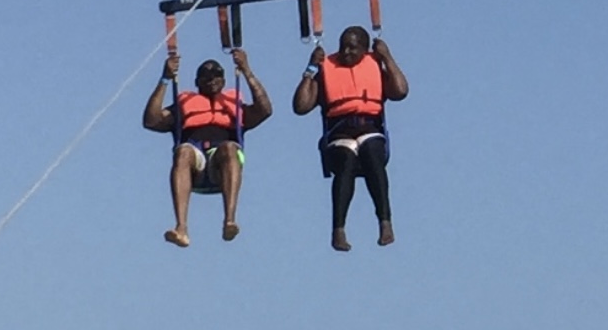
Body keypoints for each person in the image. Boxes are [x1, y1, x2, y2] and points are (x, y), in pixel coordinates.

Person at [292, 24, 409, 250]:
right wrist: (310, 70)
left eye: (353, 48)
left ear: (365, 50)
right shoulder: (327, 68)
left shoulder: (375, 65)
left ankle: (385, 222)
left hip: (369, 129)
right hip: (340, 133)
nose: (346, 53)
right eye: (343, 47)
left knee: (372, 154)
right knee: (345, 163)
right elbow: (301, 106)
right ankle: (338, 230)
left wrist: (387, 56)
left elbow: (401, 91)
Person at [142, 48, 272, 246]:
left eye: (217, 76)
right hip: (195, 165)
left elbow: (264, 110)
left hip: (221, 164)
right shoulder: (184, 104)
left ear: (224, 79)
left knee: (229, 148)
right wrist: (165, 79)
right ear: (197, 82)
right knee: (183, 151)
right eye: (205, 77)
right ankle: (181, 228)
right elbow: (151, 120)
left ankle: (229, 220)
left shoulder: (234, 106)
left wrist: (246, 70)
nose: (211, 80)